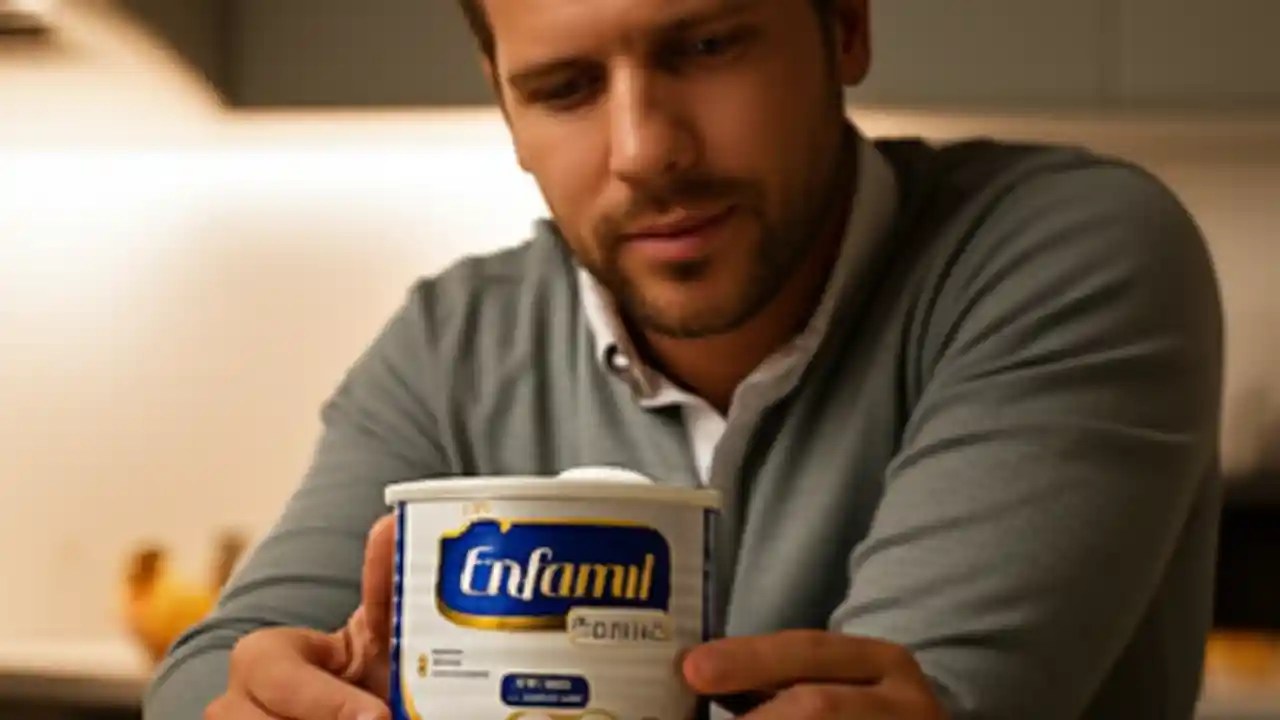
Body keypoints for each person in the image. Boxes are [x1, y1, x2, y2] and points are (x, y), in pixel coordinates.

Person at [144, 0, 1226, 718]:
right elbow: (211, 669)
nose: (646, 151)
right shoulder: (457, 337)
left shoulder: (1059, 252)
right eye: (564, 88)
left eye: (706, 46)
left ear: (841, 26)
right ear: (507, 112)